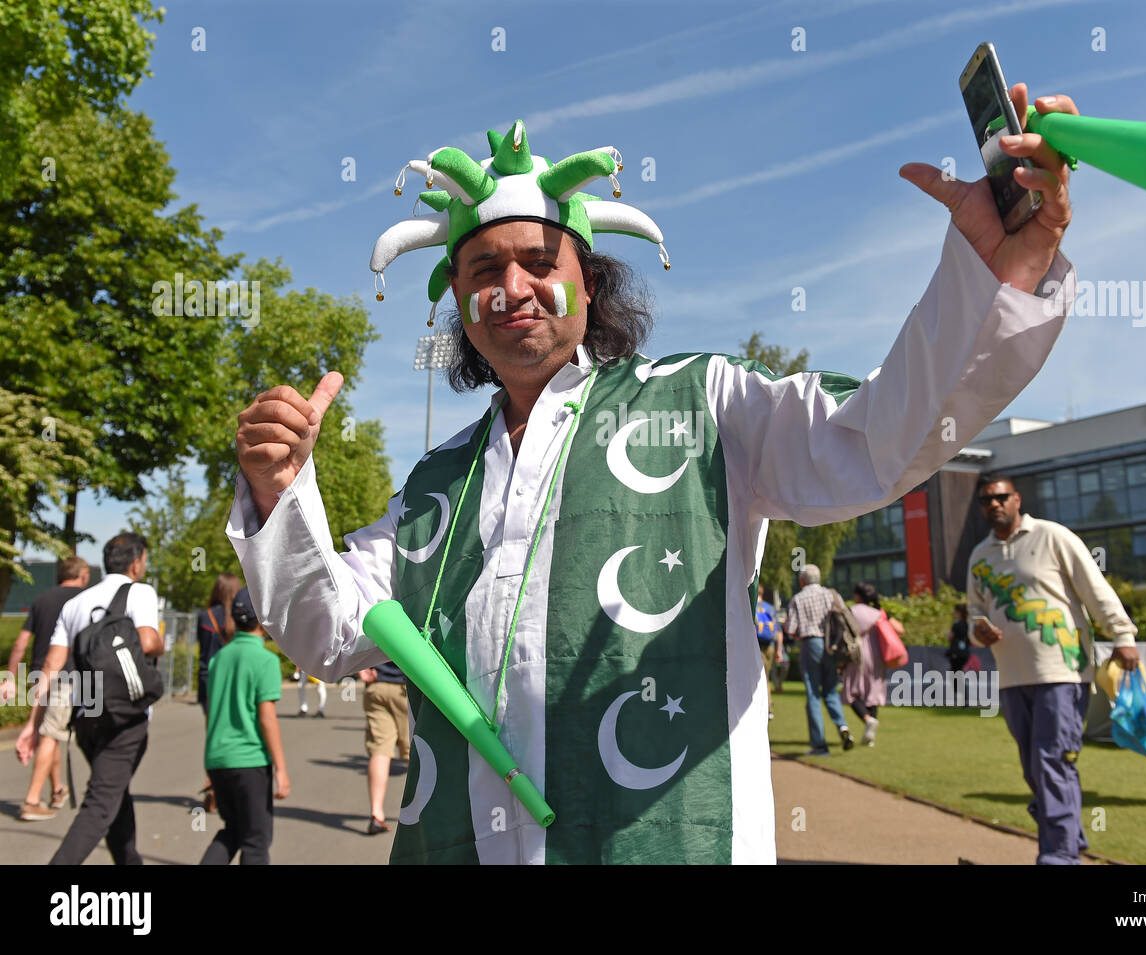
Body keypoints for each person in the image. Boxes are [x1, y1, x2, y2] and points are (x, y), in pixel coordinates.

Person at [229, 93, 1083, 864]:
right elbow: (326, 631)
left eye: (537, 261)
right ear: (458, 300)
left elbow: (872, 442)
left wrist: (987, 277)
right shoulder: (434, 486)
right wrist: (278, 490)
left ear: (588, 286)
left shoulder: (706, 404)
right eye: (484, 271)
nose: (513, 286)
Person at [966, 474, 1139, 864]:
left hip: (1061, 672)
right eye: (985, 500)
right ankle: (1070, 838)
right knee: (1034, 767)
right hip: (1012, 676)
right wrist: (977, 630)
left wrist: (1123, 635)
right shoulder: (980, 556)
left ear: (1016, 499)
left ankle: (1058, 855)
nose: (993, 504)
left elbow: (1094, 589)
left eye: (1001, 497)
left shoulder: (1053, 537)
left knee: (1052, 760)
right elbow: (975, 610)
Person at [16, 533, 161, 865]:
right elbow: (149, 642)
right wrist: (157, 644)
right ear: (137, 562)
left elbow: (51, 667)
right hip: (126, 716)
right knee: (101, 803)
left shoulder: (75, 603)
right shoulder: (139, 592)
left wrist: (32, 724)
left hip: (86, 716)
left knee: (113, 794)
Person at [200, 587, 289, 864]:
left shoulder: (218, 660)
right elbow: (266, 718)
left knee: (233, 831)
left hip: (217, 758)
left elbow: (213, 711)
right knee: (256, 840)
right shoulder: (266, 661)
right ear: (263, 619)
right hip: (249, 760)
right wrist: (281, 769)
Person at [5, 557, 90, 821]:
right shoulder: (85, 601)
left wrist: (9, 676)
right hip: (66, 676)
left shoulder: (41, 599)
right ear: (83, 574)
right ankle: (31, 801)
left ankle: (57, 789)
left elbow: (21, 642)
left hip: (38, 677)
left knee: (46, 733)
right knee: (50, 735)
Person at [785, 566, 854, 754]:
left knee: (813, 693)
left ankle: (819, 745)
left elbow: (790, 628)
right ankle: (843, 726)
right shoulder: (831, 594)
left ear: (802, 581)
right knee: (831, 690)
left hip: (810, 643)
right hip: (832, 645)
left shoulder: (798, 598)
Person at [197, 572, 240, 811]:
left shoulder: (206, 617)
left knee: (213, 737)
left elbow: (203, 655)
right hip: (234, 684)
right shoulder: (241, 618)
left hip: (210, 684)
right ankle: (232, 785)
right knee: (235, 734)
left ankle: (213, 783)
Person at [842, 582, 898, 747]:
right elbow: (897, 629)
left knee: (851, 692)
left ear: (858, 596)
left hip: (857, 655)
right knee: (873, 693)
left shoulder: (851, 611)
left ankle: (867, 720)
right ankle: (870, 737)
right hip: (877, 656)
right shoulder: (879, 613)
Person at [358, 661, 409, 833]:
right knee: (415, 751)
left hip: (376, 683)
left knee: (380, 751)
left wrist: (361, 667)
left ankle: (376, 814)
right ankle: (425, 814)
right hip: (406, 686)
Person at [755, 584, 782, 719]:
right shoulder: (770, 608)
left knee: (756, 679)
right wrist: (779, 650)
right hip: (770, 646)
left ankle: (763, 708)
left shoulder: (751, 605)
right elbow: (778, 631)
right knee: (766, 677)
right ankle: (768, 708)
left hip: (756, 645)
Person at [946, 603, 972, 672]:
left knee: (955, 672)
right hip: (965, 652)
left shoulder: (957, 624)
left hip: (956, 652)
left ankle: (957, 683)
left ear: (958, 612)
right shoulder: (968, 623)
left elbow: (950, 637)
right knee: (960, 671)